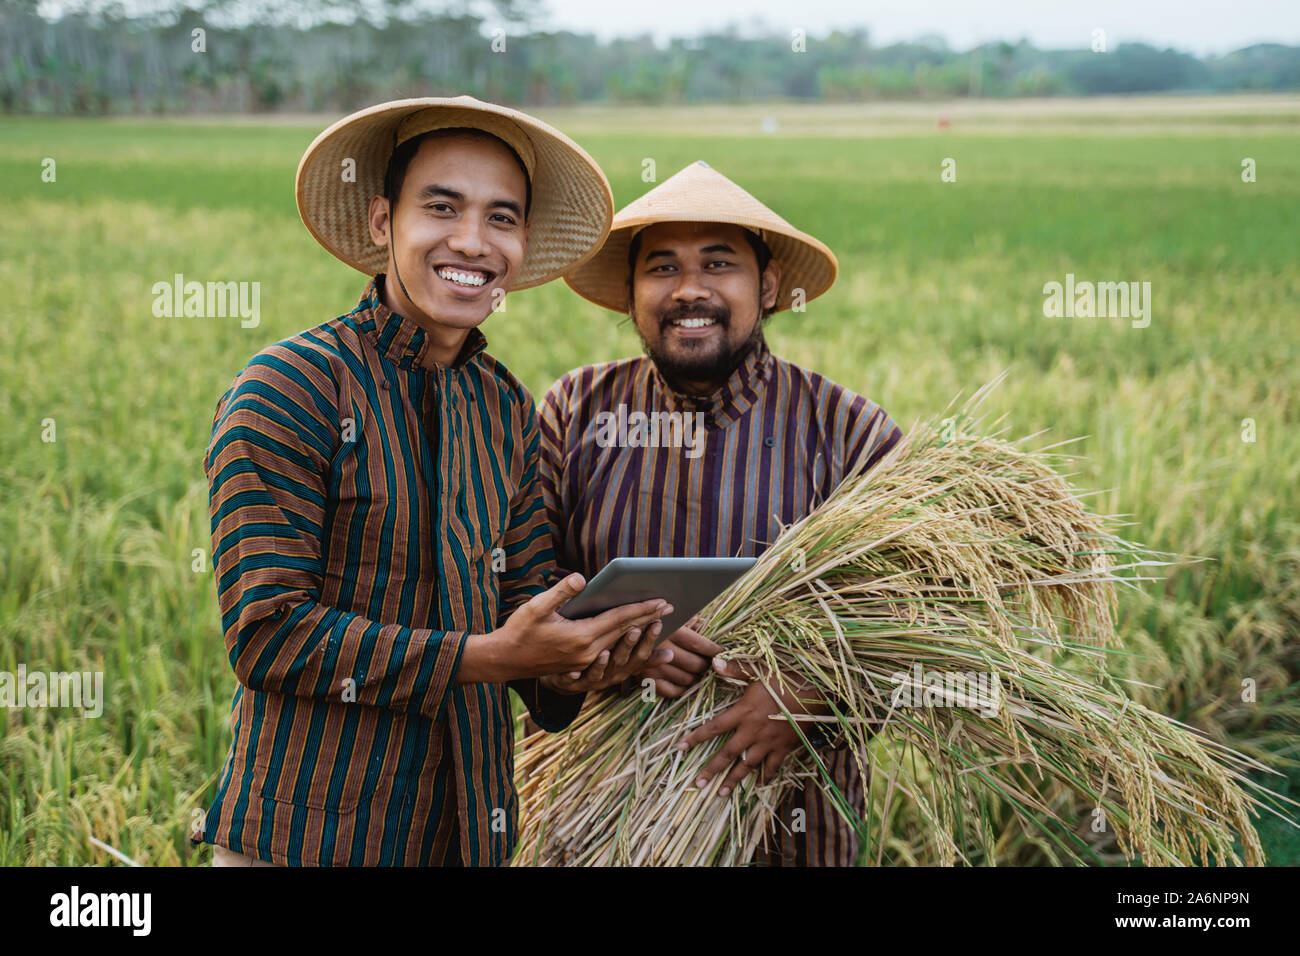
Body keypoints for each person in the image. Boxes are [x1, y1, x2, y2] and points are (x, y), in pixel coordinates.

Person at [195, 96, 671, 867]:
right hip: (305, 843)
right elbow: (269, 632)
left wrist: (588, 657)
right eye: (442, 207)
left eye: (501, 218)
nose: (472, 242)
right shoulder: (289, 388)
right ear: (384, 223)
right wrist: (488, 658)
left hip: (467, 835)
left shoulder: (506, 407)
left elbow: (523, 605)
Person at [539, 160, 903, 865]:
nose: (690, 290)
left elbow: (921, 611)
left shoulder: (849, 430)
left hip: (789, 823)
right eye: (662, 267)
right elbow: (519, 583)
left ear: (766, 287)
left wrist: (813, 696)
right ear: (632, 291)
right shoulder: (574, 412)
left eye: (719, 263)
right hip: (596, 816)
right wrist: (611, 649)